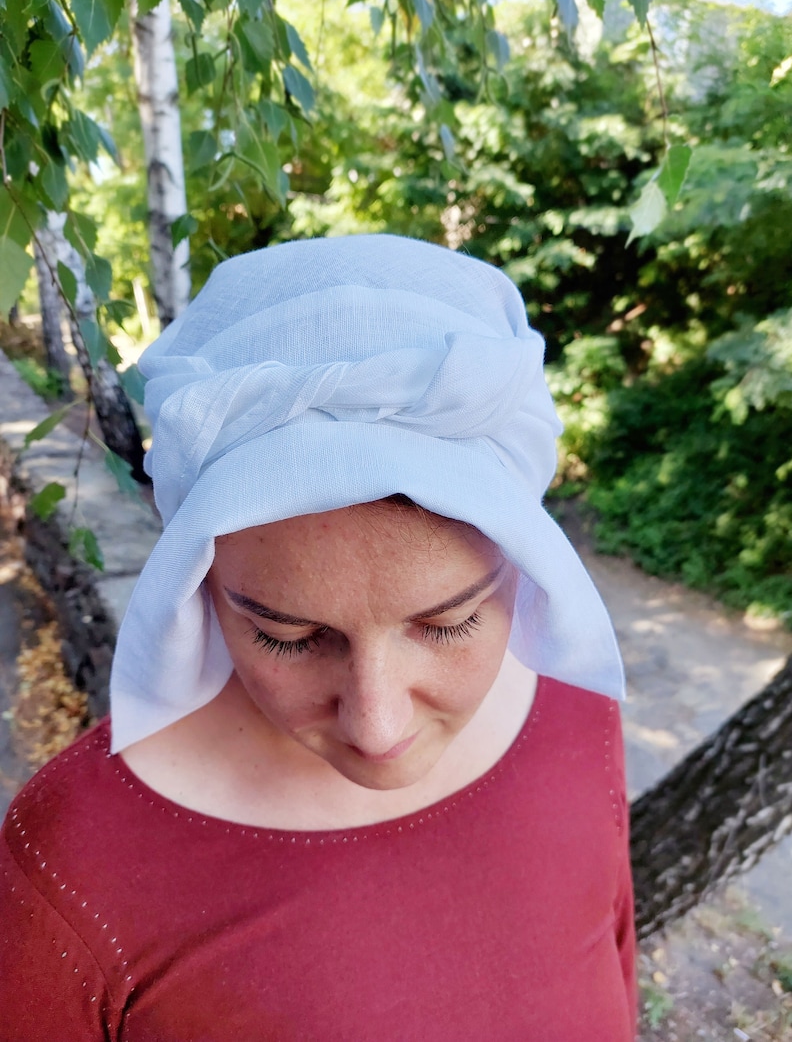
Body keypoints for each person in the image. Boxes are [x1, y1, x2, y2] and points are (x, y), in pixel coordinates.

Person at [0, 234, 636, 1040]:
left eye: (449, 624)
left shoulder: (580, 717)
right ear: (200, 586)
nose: (378, 728)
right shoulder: (74, 863)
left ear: (520, 567)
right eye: (288, 636)